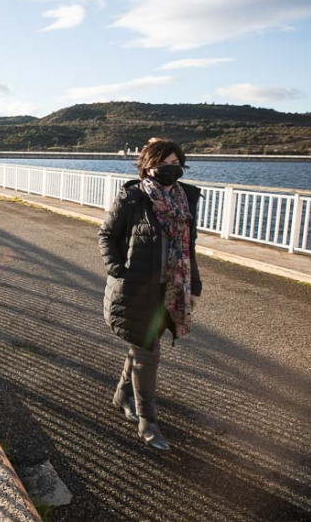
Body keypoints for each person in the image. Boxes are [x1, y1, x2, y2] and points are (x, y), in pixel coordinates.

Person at [97, 138, 202, 451]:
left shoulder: (187, 200)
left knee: (144, 344)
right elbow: (107, 235)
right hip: (137, 289)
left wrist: (194, 285)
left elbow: (190, 248)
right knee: (148, 351)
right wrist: (119, 270)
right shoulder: (133, 197)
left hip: (171, 289)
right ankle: (148, 421)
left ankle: (122, 395)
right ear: (148, 167)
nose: (171, 169)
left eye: (176, 163)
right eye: (164, 164)